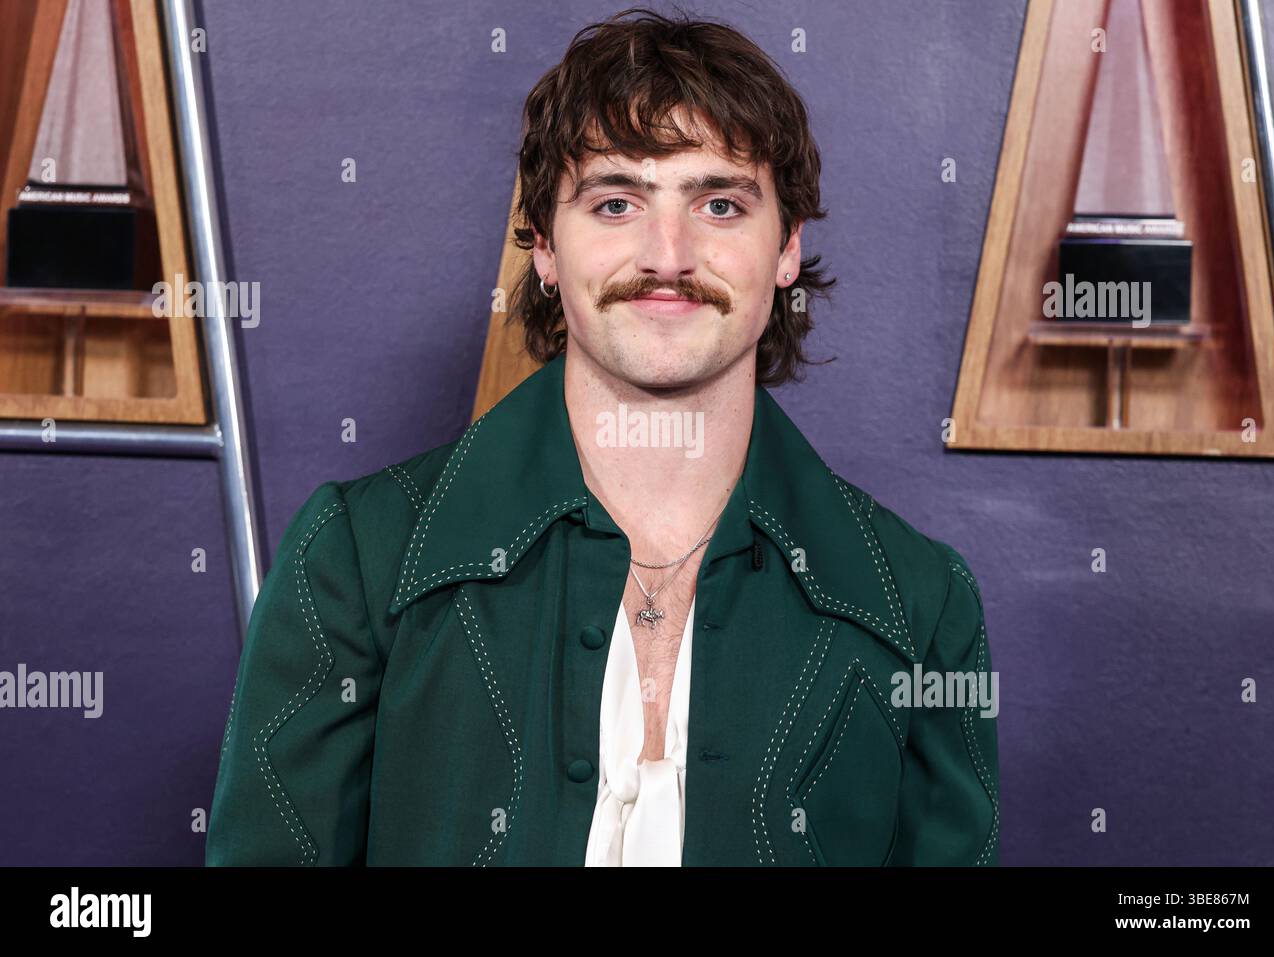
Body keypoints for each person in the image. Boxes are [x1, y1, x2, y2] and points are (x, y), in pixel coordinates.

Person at [205, 6, 997, 867]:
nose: (667, 254)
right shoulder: (358, 560)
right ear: (544, 245)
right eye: (616, 201)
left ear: (785, 248)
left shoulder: (921, 604)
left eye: (721, 203)